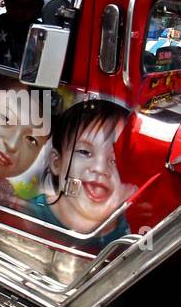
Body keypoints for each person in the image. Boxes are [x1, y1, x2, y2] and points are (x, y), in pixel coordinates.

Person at [30, 100, 136, 249]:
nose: (100, 168)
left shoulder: (130, 236)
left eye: (115, 159)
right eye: (84, 152)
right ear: (56, 163)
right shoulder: (27, 214)